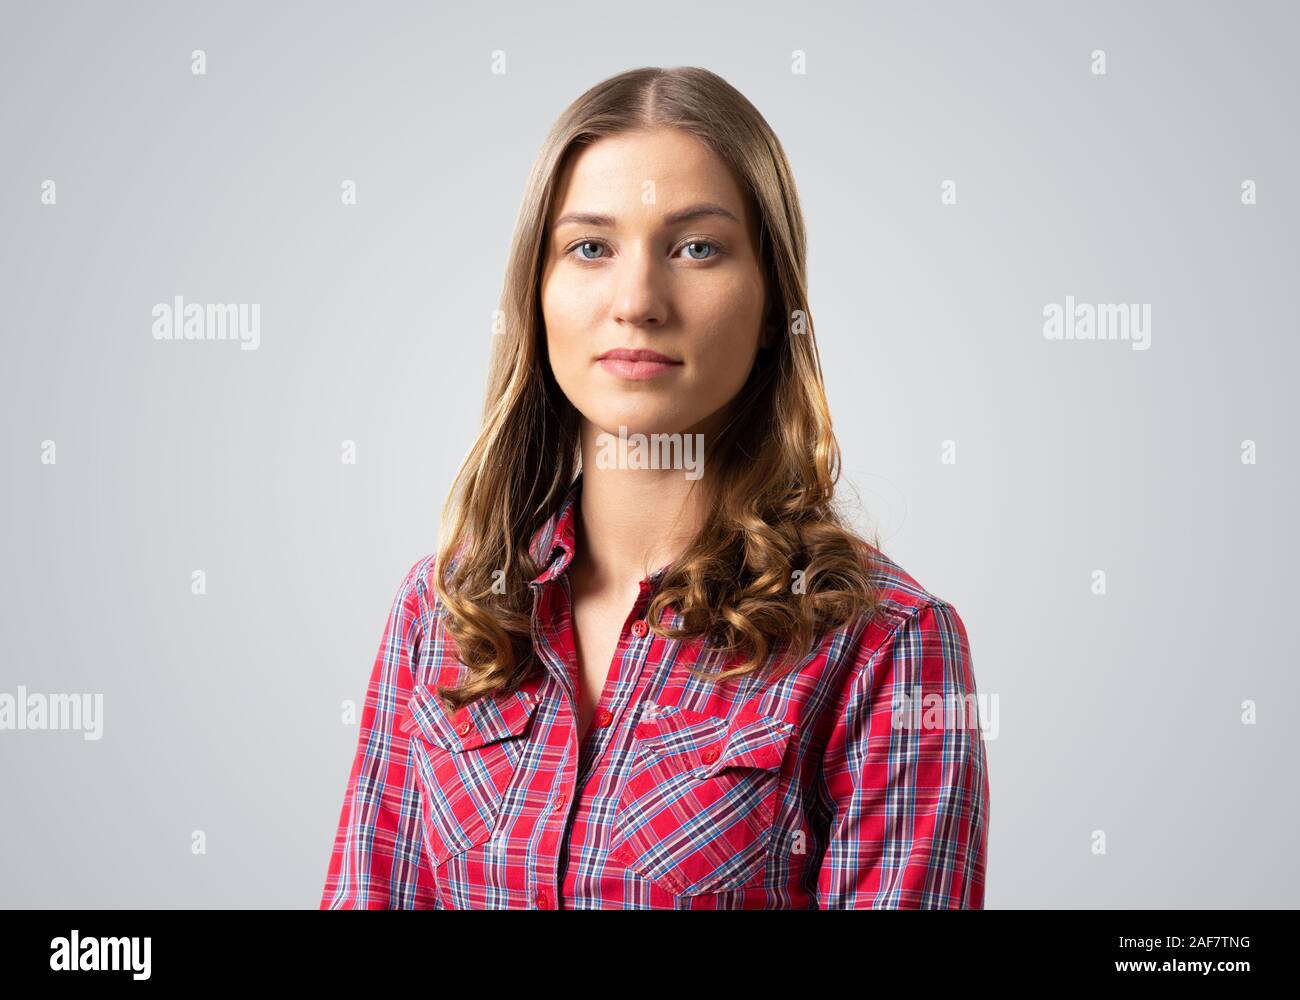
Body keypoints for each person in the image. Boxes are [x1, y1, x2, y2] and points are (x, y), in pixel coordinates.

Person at [320, 65, 989, 909]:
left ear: (772, 299)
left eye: (696, 247)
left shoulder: (887, 646)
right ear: (539, 290)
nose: (637, 300)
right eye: (590, 247)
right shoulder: (441, 614)